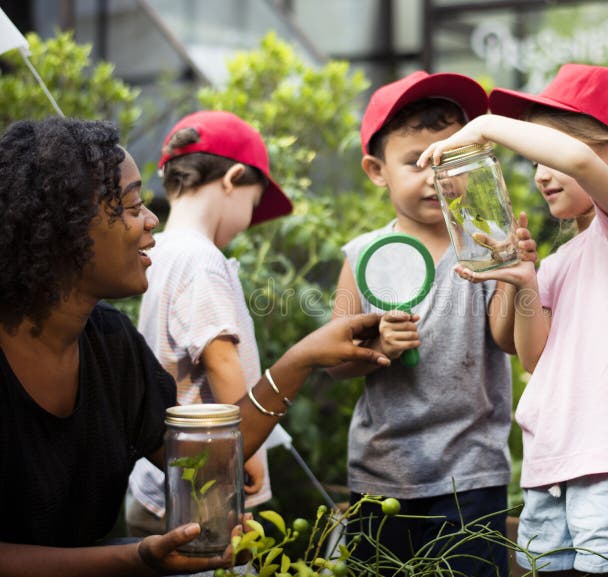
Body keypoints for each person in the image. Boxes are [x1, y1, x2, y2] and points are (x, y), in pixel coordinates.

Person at [0, 116, 389, 577]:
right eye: (129, 206)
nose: (150, 220)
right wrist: (137, 556)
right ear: (65, 227)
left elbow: (202, 455)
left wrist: (302, 359)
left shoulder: (111, 344)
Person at [419, 64, 608, 576]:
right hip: (549, 466)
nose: (540, 172)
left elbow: (576, 160)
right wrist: (525, 282)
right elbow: (531, 354)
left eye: (545, 151)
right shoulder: (557, 262)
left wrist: (486, 127)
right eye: (536, 158)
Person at [326, 71, 517, 576]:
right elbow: (336, 362)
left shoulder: (486, 245)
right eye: (416, 162)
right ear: (376, 169)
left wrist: (517, 277)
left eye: (449, 159)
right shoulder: (364, 254)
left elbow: (508, 340)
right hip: (383, 474)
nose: (437, 176)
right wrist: (378, 347)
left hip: (472, 475)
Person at [126, 110, 293, 537]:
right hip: (202, 488)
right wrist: (245, 447)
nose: (248, 223)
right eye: (253, 206)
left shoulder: (156, 249)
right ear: (232, 178)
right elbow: (220, 360)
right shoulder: (201, 259)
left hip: (161, 475)